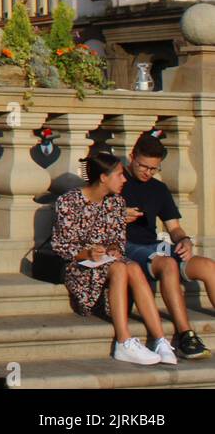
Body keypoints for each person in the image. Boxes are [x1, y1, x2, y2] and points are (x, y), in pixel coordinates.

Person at [53, 149, 175, 366]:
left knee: (133, 267)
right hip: (79, 266)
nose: (123, 179)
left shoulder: (116, 202)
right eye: (119, 174)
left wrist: (112, 249)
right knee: (120, 268)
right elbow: (62, 246)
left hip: (107, 263)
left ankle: (160, 339)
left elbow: (118, 239)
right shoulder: (69, 201)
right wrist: (89, 253)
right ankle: (123, 341)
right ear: (103, 177)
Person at [122, 132, 214, 359]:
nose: (148, 172)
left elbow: (174, 228)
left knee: (208, 266)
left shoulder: (158, 189)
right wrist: (117, 215)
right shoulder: (118, 181)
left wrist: (184, 240)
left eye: (154, 169)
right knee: (168, 265)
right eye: (143, 166)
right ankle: (186, 335)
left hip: (154, 246)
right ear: (132, 157)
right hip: (127, 246)